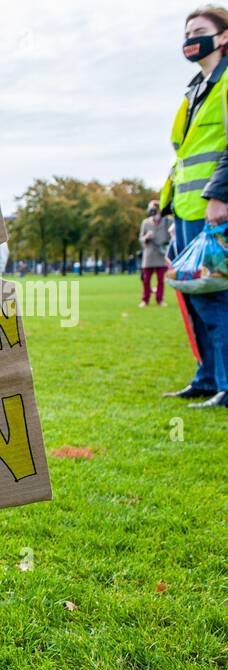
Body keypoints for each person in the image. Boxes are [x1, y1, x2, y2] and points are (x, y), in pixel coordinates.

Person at [162, 5, 228, 407]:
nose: (190, 38)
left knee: (214, 295)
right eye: (186, 32)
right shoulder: (194, 91)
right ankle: (206, 377)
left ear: (223, 37)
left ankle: (226, 383)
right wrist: (166, 211)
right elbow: (183, 157)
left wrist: (220, 196)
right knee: (193, 294)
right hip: (187, 210)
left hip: (215, 209)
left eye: (199, 30)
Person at [139, 201, 172, 307]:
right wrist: (146, 237)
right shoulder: (146, 223)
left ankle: (160, 299)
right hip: (149, 255)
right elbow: (141, 239)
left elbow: (172, 236)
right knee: (146, 279)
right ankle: (145, 299)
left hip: (162, 255)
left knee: (160, 280)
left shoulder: (167, 222)